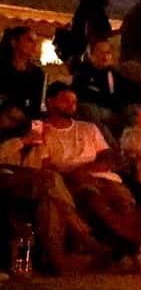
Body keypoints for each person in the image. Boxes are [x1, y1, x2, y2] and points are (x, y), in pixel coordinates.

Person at [41, 83, 141, 273]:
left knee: (122, 201)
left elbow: (107, 157)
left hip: (103, 177)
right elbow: (46, 166)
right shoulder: (43, 131)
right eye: (66, 100)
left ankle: (127, 252)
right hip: (71, 182)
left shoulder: (88, 128)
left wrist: (86, 170)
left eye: (74, 100)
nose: (72, 104)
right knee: (94, 200)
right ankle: (137, 249)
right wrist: (76, 175)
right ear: (50, 102)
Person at [0, 102, 105, 274]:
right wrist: (21, 141)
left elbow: (36, 169)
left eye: (19, 121)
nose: (14, 124)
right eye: (10, 118)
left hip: (23, 186)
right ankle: (83, 234)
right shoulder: (11, 141)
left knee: (50, 202)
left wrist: (36, 145)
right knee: (51, 178)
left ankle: (56, 262)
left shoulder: (28, 143)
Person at [72, 38, 141, 142]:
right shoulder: (83, 73)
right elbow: (85, 94)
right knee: (90, 110)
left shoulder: (113, 74)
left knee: (134, 111)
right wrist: (112, 100)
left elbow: (133, 90)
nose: (105, 56)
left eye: (108, 52)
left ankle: (132, 146)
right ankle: (111, 148)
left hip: (115, 110)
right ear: (91, 55)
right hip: (97, 109)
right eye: (100, 52)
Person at [65, 0, 117, 72]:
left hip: (81, 62)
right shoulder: (96, 13)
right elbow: (99, 35)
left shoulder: (82, 12)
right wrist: (121, 31)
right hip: (92, 62)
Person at [0, 26, 47, 117]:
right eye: (30, 40)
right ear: (14, 43)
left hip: (23, 122)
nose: (34, 45)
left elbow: (36, 106)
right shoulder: (2, 67)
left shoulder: (37, 74)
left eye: (35, 41)